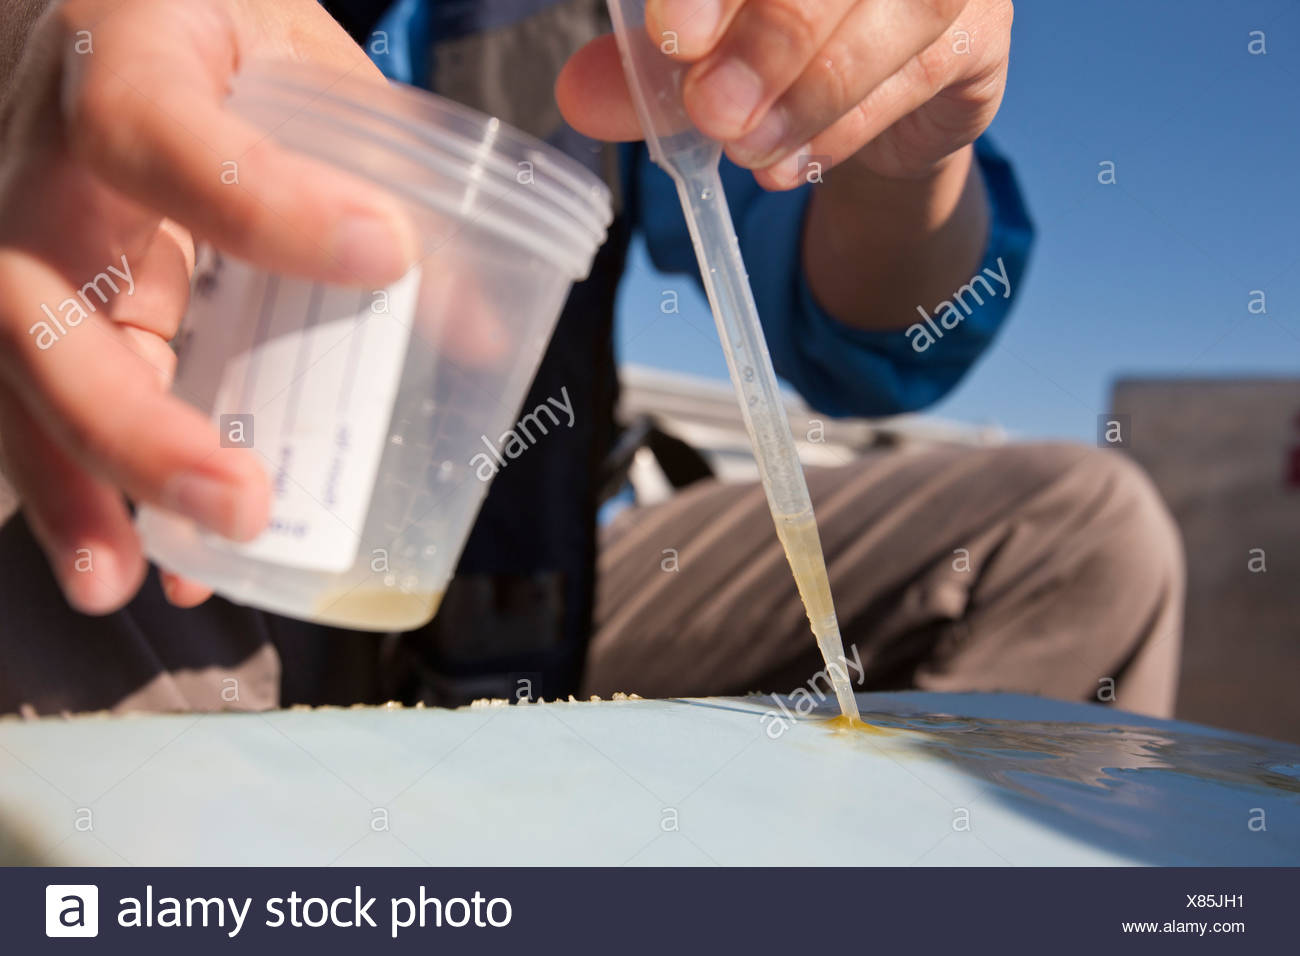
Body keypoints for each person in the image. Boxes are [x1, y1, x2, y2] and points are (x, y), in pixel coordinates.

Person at [0, 0, 1183, 718]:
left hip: (529, 565)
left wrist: (896, 130)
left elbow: (868, 348)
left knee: (1075, 535)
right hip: (193, 514)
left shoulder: (608, 30)